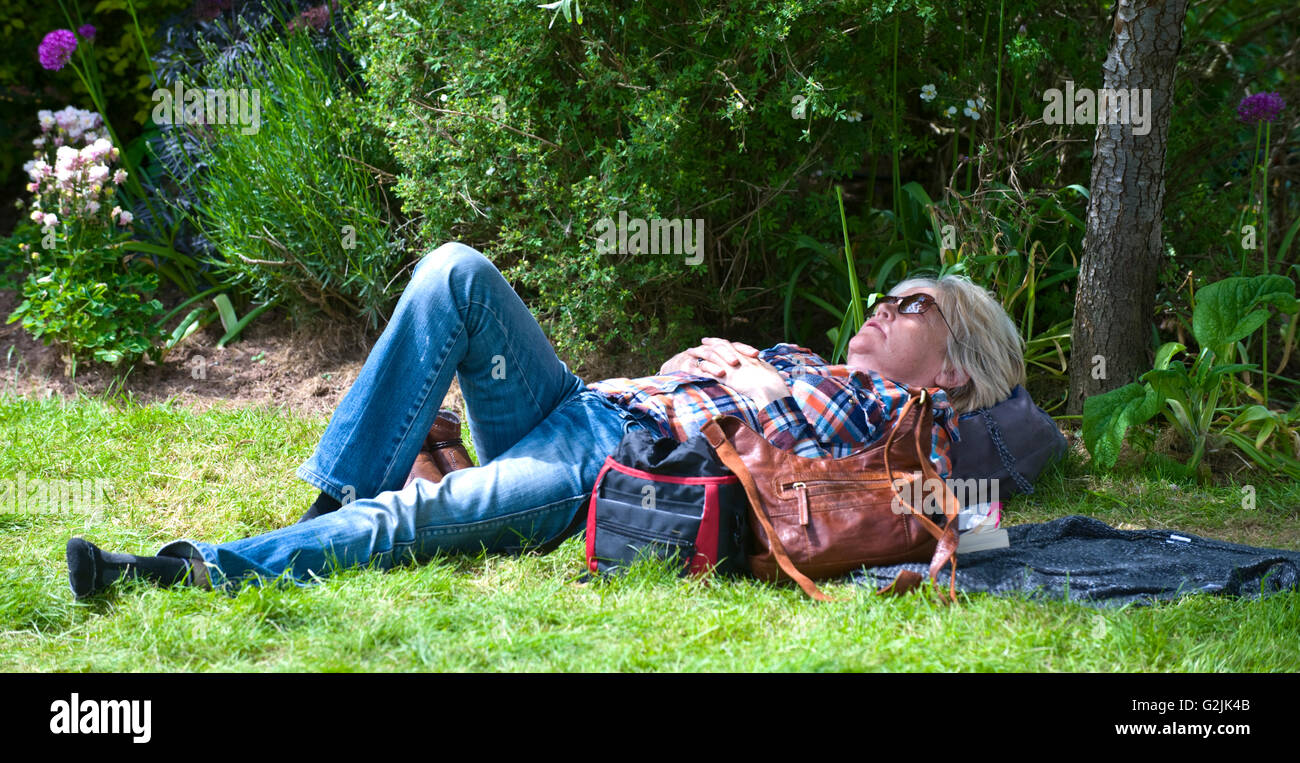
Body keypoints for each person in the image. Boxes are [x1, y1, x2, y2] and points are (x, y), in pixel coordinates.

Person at [65, 242, 1024, 598]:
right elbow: (692, 381)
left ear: (955, 362)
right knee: (454, 272)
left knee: (416, 526)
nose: (885, 309)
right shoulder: (797, 358)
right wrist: (718, 365)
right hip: (584, 403)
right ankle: (332, 500)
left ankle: (189, 568)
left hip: (616, 466)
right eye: (890, 296)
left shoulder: (915, 421)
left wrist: (758, 392)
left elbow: (963, 519)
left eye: (914, 306)